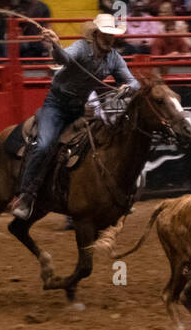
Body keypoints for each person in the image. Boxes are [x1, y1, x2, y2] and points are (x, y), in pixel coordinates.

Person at [11, 14, 139, 220]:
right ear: (96, 34)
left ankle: (103, 196)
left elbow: (134, 83)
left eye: (112, 35)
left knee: (102, 144)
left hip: (80, 108)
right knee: (44, 145)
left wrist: (127, 87)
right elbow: (64, 58)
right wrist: (55, 45)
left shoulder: (114, 58)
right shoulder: (81, 48)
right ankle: (26, 195)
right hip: (56, 106)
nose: (109, 39)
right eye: (106, 34)